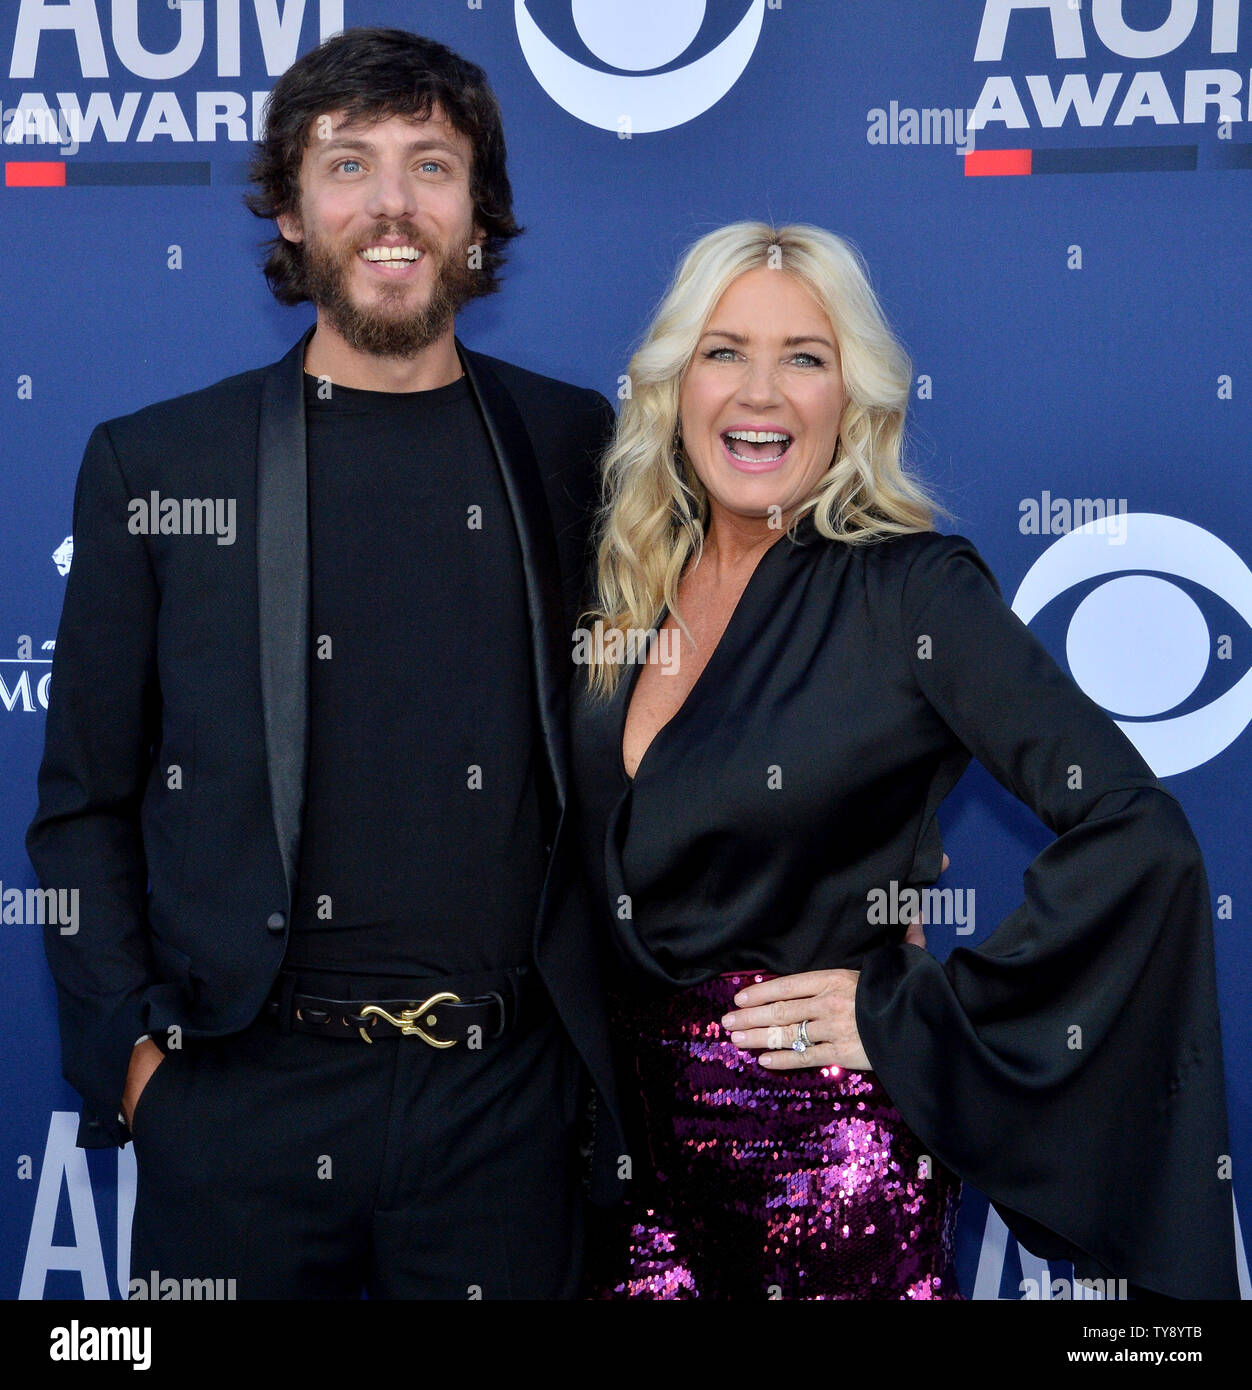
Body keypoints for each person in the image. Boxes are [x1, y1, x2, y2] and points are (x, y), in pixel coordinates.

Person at [27, 26, 625, 1299]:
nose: (392, 204)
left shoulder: (581, 449)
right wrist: (141, 1066)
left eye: (432, 164)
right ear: (293, 212)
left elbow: (688, 717)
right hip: (241, 1102)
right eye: (348, 164)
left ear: (480, 214)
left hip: (506, 1113)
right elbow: (81, 806)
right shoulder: (158, 468)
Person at [571, 221, 1240, 1301]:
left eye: (805, 357)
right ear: (671, 383)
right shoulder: (629, 581)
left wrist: (915, 1015)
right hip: (628, 1178)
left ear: (856, 399)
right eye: (724, 349)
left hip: (827, 1165)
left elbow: (1137, 831)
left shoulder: (912, 590)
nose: (761, 393)